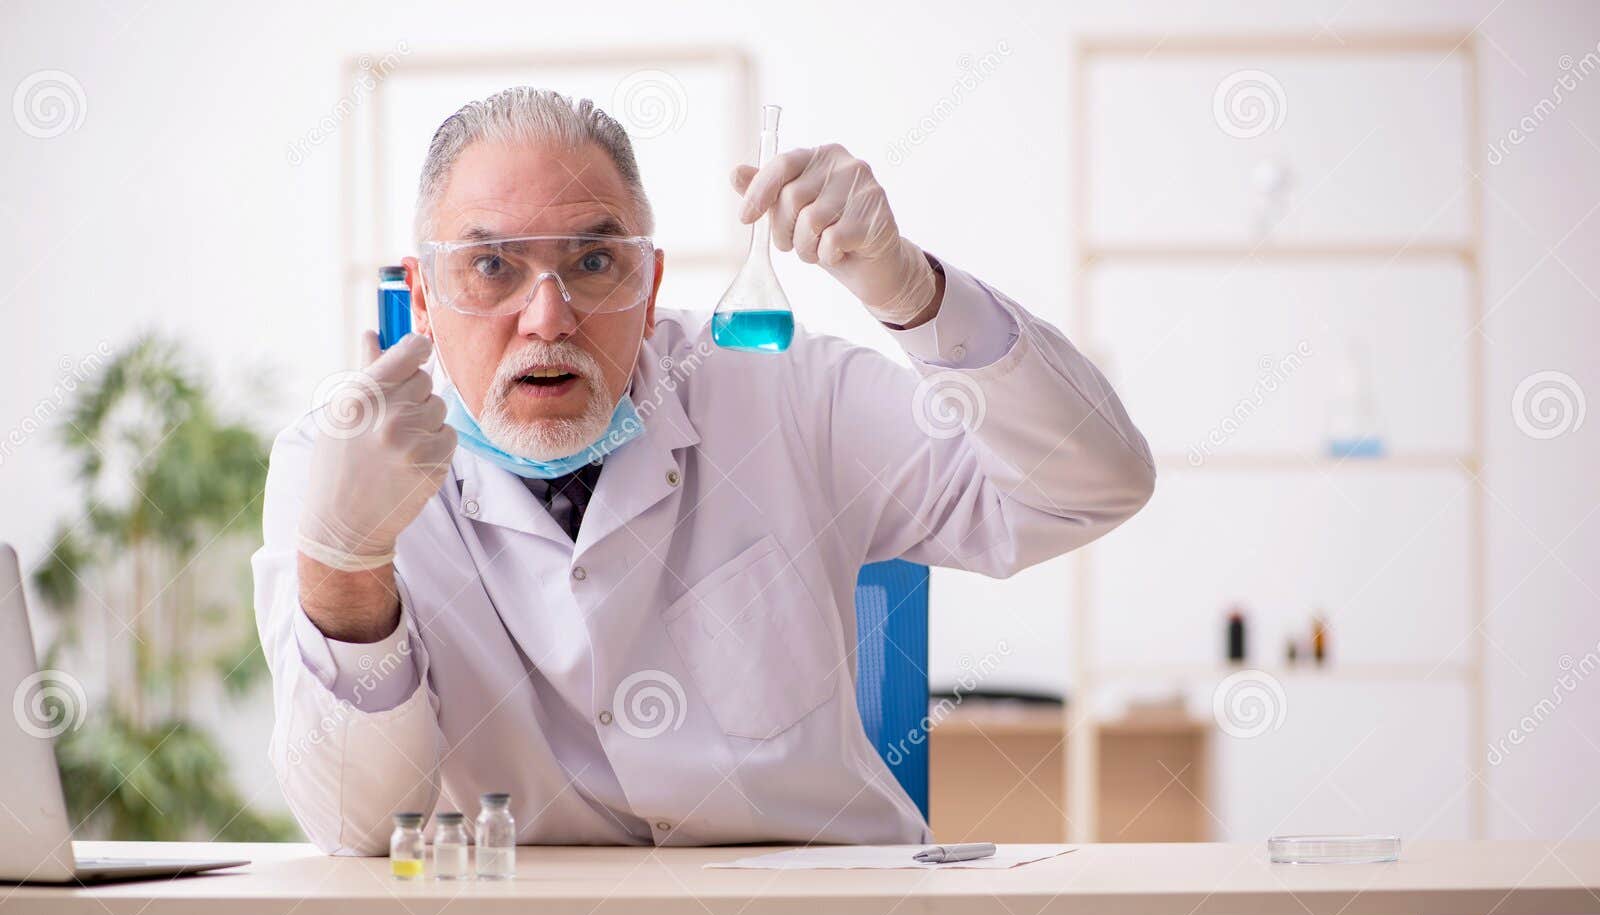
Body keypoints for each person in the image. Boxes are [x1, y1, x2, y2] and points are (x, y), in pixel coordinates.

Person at [253, 87, 1155, 855]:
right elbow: (359, 827)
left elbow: (1090, 487)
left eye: (594, 262)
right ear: (423, 294)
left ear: (648, 288)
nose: (547, 316)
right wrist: (347, 568)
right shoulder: (336, 465)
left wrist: (910, 290)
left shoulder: (783, 391)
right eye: (491, 266)